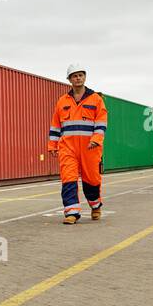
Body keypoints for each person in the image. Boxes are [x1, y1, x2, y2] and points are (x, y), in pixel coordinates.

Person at [47, 67, 108, 224]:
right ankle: (71, 212)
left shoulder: (96, 99)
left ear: (85, 77)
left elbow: (101, 123)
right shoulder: (62, 101)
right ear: (69, 79)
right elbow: (55, 125)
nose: (78, 78)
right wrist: (53, 145)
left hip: (90, 147)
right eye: (74, 76)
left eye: (80, 75)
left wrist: (96, 139)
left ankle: (95, 206)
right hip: (68, 147)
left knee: (92, 180)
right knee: (68, 178)